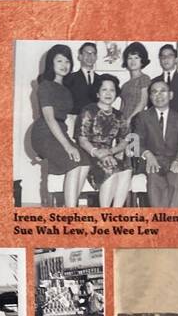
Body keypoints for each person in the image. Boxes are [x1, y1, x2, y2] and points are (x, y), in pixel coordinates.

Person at [31, 43, 84, 208]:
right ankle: (71, 211)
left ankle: (70, 205)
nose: (64, 65)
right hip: (44, 132)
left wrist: (73, 142)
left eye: (67, 61)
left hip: (59, 131)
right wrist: (68, 147)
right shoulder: (45, 85)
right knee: (74, 163)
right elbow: (50, 118)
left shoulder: (66, 89)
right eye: (59, 61)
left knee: (86, 161)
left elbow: (67, 118)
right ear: (51, 64)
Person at [131, 78, 178, 207]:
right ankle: (160, 220)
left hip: (173, 161)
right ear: (150, 96)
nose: (158, 95)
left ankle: (176, 220)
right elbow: (135, 142)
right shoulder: (142, 117)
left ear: (170, 95)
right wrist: (147, 155)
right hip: (151, 161)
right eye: (154, 92)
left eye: (163, 91)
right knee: (154, 181)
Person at [75, 74, 133, 208]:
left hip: (108, 152)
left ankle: (116, 212)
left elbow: (125, 140)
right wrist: (97, 152)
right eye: (104, 90)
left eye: (112, 90)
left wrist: (110, 151)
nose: (108, 93)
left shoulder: (119, 115)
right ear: (97, 93)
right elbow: (82, 139)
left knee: (127, 169)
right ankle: (105, 212)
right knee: (110, 168)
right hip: (89, 154)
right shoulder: (88, 111)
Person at [117, 41, 152, 129]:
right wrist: (119, 121)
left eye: (136, 58)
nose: (133, 61)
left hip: (137, 121)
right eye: (130, 58)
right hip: (124, 123)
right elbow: (123, 105)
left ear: (142, 60)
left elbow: (143, 102)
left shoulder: (144, 78)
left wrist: (130, 119)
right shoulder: (125, 85)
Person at [63, 42, 100, 115]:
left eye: (93, 53)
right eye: (87, 53)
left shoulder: (101, 79)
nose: (90, 56)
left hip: (96, 121)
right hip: (75, 120)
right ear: (80, 56)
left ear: (96, 57)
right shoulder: (69, 78)